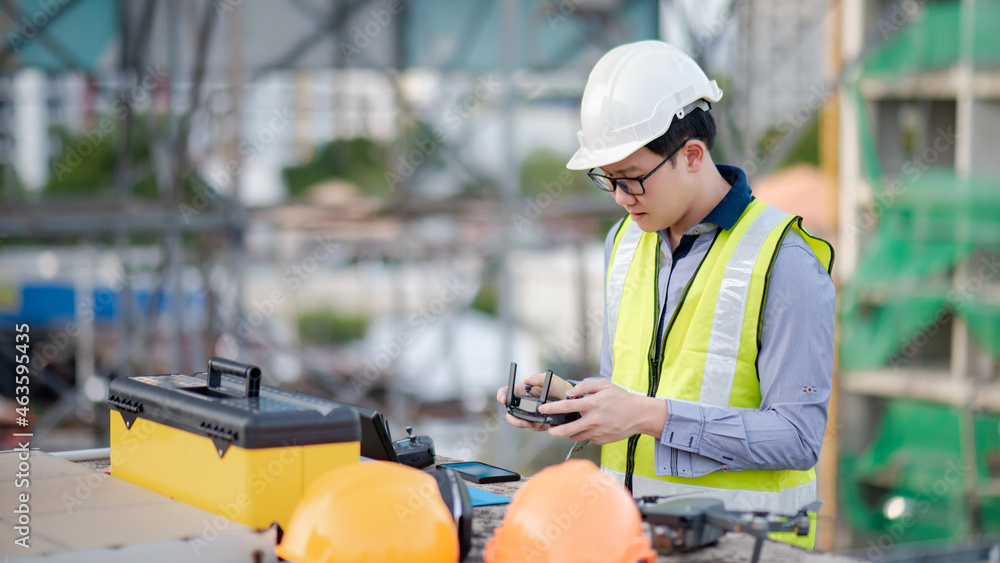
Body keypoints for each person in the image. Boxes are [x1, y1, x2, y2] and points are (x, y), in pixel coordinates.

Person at [496, 40, 835, 549]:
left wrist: (649, 416)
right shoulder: (624, 242)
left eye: (632, 179)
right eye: (606, 180)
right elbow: (640, 386)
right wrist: (578, 403)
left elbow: (798, 437)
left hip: (741, 548)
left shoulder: (784, 261)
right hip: (626, 544)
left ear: (692, 155)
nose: (618, 197)